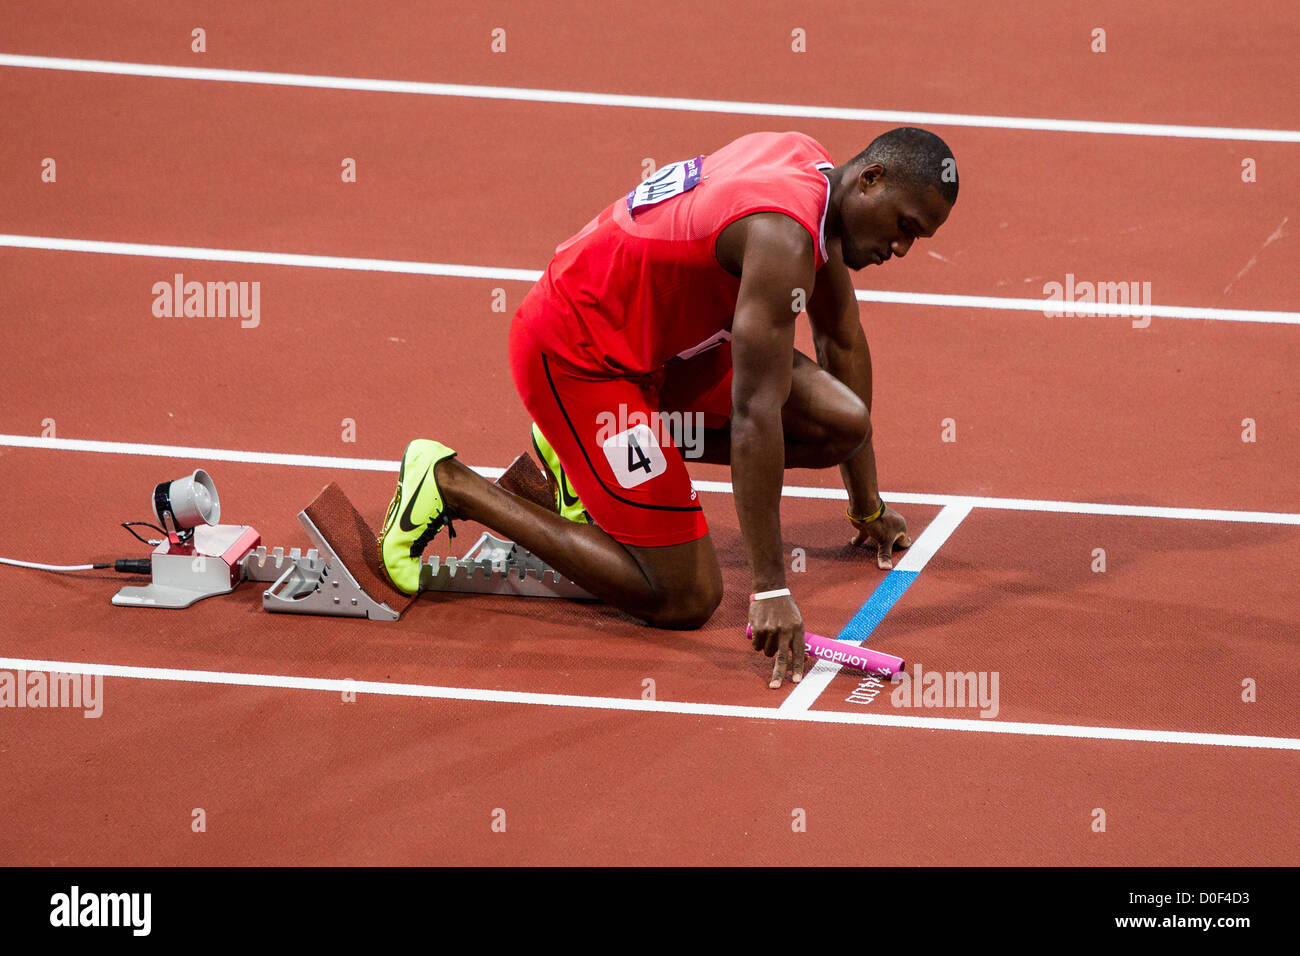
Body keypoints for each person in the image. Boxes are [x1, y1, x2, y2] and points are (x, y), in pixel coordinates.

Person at [379, 126, 958, 688]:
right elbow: (756, 414)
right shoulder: (783, 238)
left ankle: (587, 457)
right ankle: (452, 483)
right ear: (871, 179)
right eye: (904, 226)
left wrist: (867, 506)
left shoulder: (808, 168)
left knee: (842, 422)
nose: (902, 248)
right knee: (686, 597)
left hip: (668, 352)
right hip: (579, 354)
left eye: (918, 238)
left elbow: (842, 341)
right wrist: (771, 590)